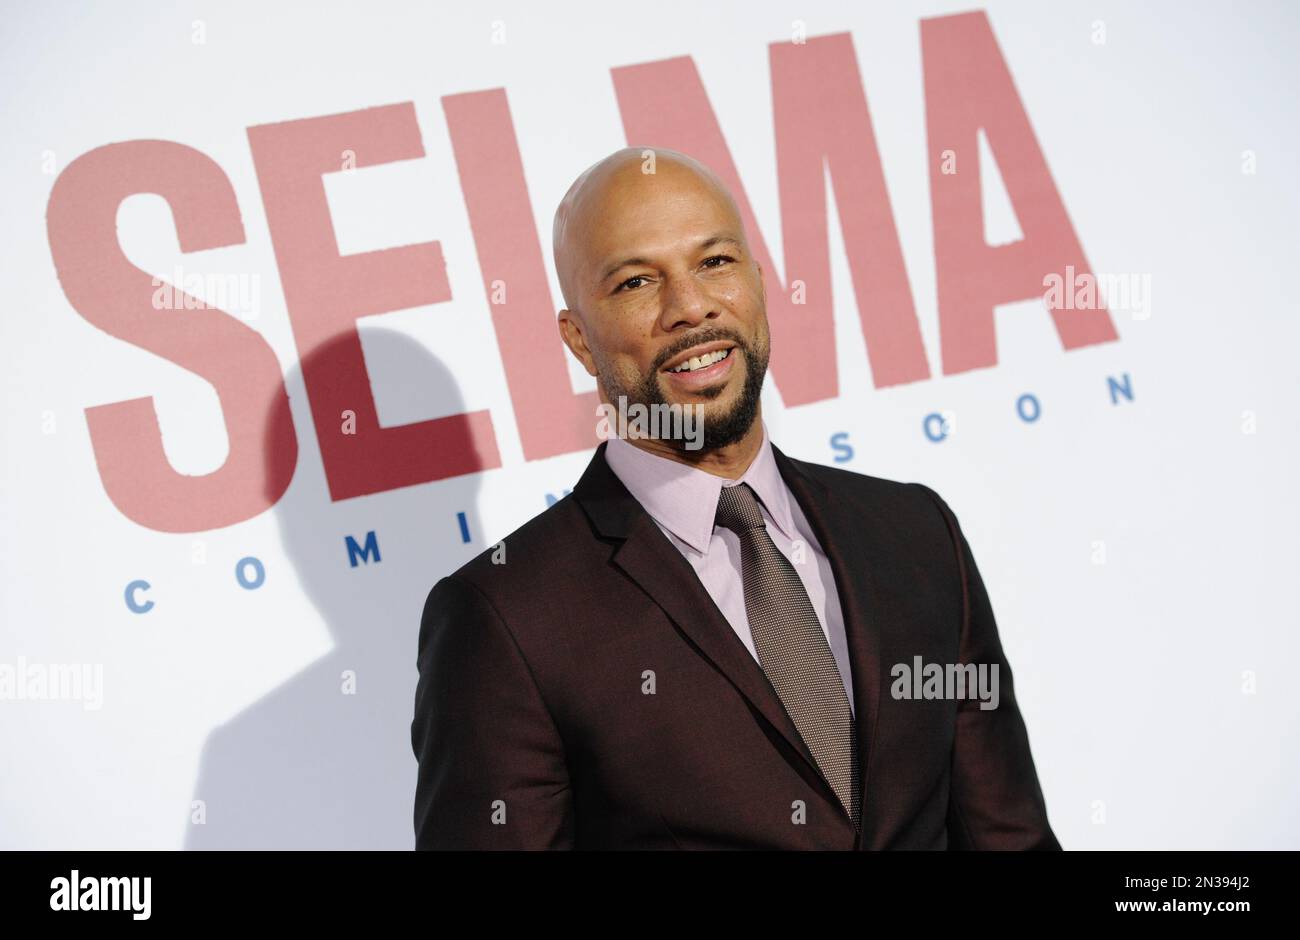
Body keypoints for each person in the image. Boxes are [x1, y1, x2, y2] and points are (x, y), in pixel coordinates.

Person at [411, 147, 1059, 850]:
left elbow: (1010, 839)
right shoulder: (507, 619)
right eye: (635, 282)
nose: (691, 308)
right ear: (579, 339)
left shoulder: (915, 534)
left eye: (715, 262)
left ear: (757, 277)